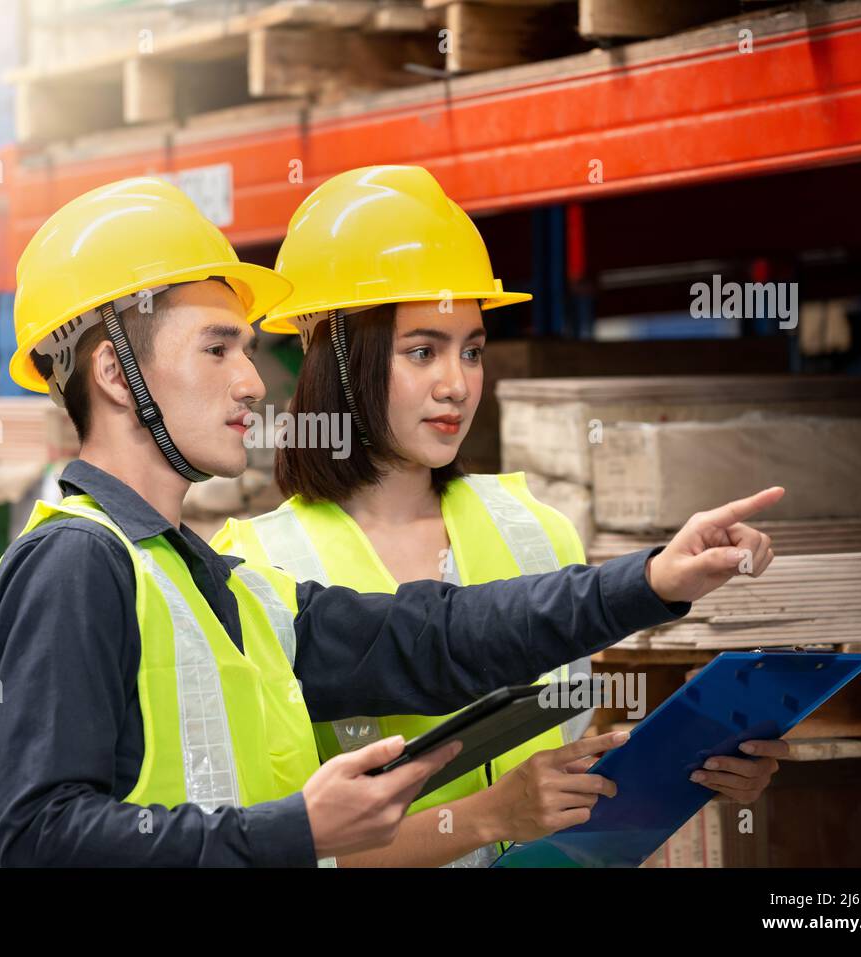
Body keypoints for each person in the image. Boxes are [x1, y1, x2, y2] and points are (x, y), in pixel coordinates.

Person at [0, 175, 778, 867]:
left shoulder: (210, 584)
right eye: (218, 349)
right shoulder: (73, 562)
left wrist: (653, 580)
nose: (251, 382)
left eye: (246, 350)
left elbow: (435, 638)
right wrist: (299, 829)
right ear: (114, 371)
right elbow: (41, 834)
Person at [212, 165, 787, 867]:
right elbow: (278, 848)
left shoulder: (532, 527)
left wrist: (690, 767)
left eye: (472, 350)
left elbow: (570, 762)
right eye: (422, 350)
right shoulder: (259, 568)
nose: (457, 383)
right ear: (336, 357)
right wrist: (486, 817)